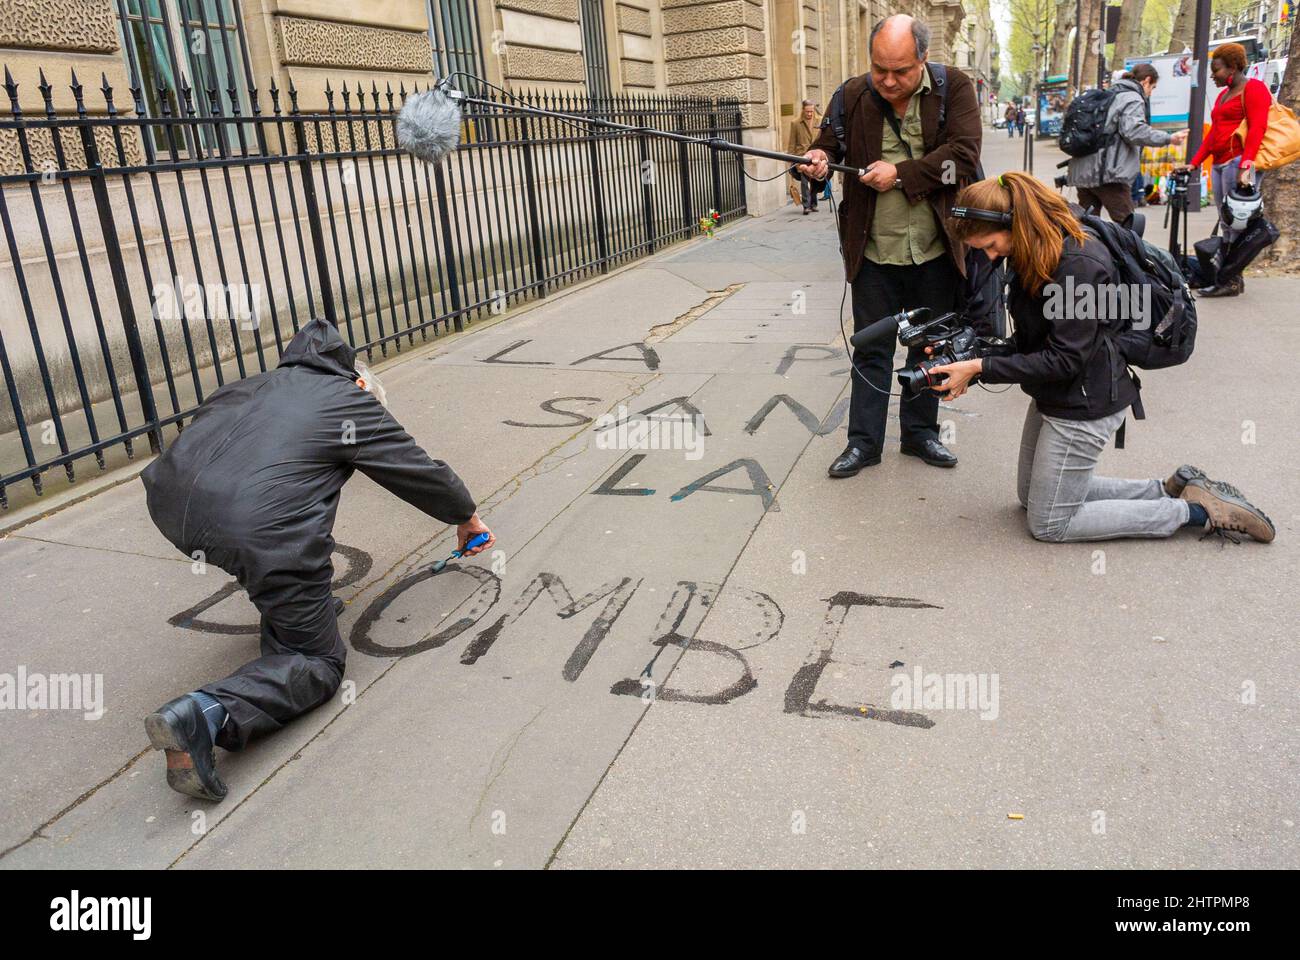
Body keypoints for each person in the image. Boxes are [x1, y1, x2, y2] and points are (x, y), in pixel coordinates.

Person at [140, 318, 496, 800]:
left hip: (170, 504)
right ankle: (205, 713)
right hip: (255, 527)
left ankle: (295, 603)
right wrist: (466, 515)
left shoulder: (246, 387)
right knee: (317, 661)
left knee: (279, 546)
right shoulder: (348, 400)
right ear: (352, 375)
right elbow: (415, 470)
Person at [923, 172, 1274, 544]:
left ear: (1015, 223)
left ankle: (1198, 511)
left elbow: (1064, 359)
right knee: (1031, 499)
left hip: (1086, 400)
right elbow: (1033, 341)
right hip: (1057, 391)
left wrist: (980, 367)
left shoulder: (1078, 263)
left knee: (1049, 523)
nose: (991, 256)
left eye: (991, 244)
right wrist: (972, 359)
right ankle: (1172, 488)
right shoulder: (1038, 249)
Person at [797, 14, 981, 477]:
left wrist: (900, 173)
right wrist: (819, 160)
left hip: (936, 249)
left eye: (900, 70)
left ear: (922, 59)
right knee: (872, 350)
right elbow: (829, 144)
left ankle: (921, 436)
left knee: (928, 346)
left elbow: (964, 157)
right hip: (873, 250)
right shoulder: (854, 93)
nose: (889, 80)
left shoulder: (954, 86)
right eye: (880, 68)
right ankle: (863, 444)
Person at [1173, 42, 1272, 298]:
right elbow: (1214, 134)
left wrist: (1246, 165)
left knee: (1236, 224)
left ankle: (1228, 280)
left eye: (1216, 70)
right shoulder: (1223, 95)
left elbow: (1258, 128)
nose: (1213, 75)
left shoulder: (1254, 89)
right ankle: (1227, 278)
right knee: (1227, 222)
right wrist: (1194, 163)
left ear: (1233, 67)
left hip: (1237, 163)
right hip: (1219, 164)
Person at [1067, 64, 1188, 226]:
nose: (1151, 93)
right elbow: (1134, 131)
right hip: (1108, 174)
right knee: (1129, 227)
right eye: (1152, 87)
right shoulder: (1132, 98)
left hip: (1083, 172)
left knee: (1087, 228)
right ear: (1146, 81)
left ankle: (1084, 251)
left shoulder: (1106, 95)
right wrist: (1168, 138)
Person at [787, 99, 823, 214]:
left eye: (811, 111)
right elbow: (792, 143)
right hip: (801, 158)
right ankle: (806, 206)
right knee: (804, 182)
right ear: (803, 110)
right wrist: (790, 159)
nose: (809, 114)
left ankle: (813, 204)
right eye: (807, 111)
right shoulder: (795, 123)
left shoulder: (819, 121)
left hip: (816, 157)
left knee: (815, 182)